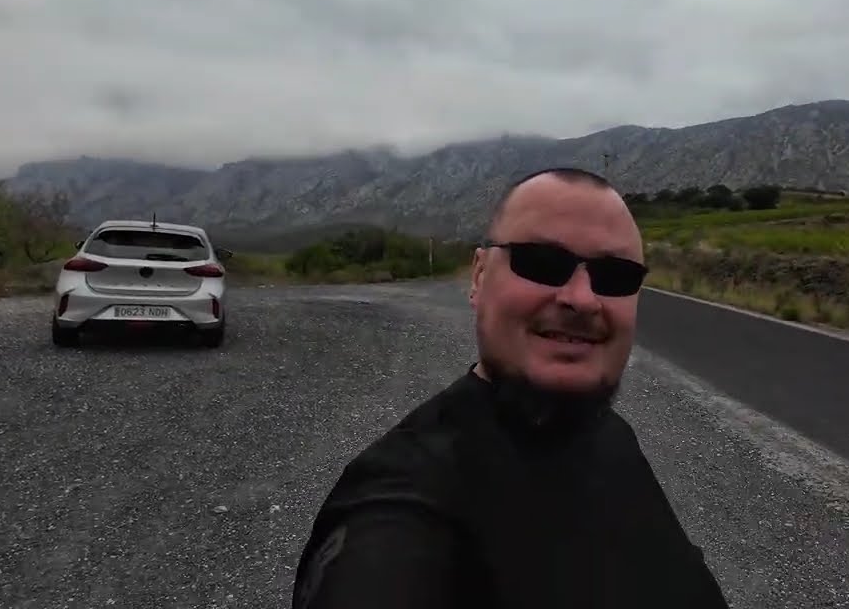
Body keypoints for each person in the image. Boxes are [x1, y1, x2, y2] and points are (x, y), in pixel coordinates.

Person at [290, 167, 731, 609]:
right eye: (541, 263)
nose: (581, 299)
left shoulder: (612, 434)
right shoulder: (401, 504)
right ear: (479, 277)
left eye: (614, 276)